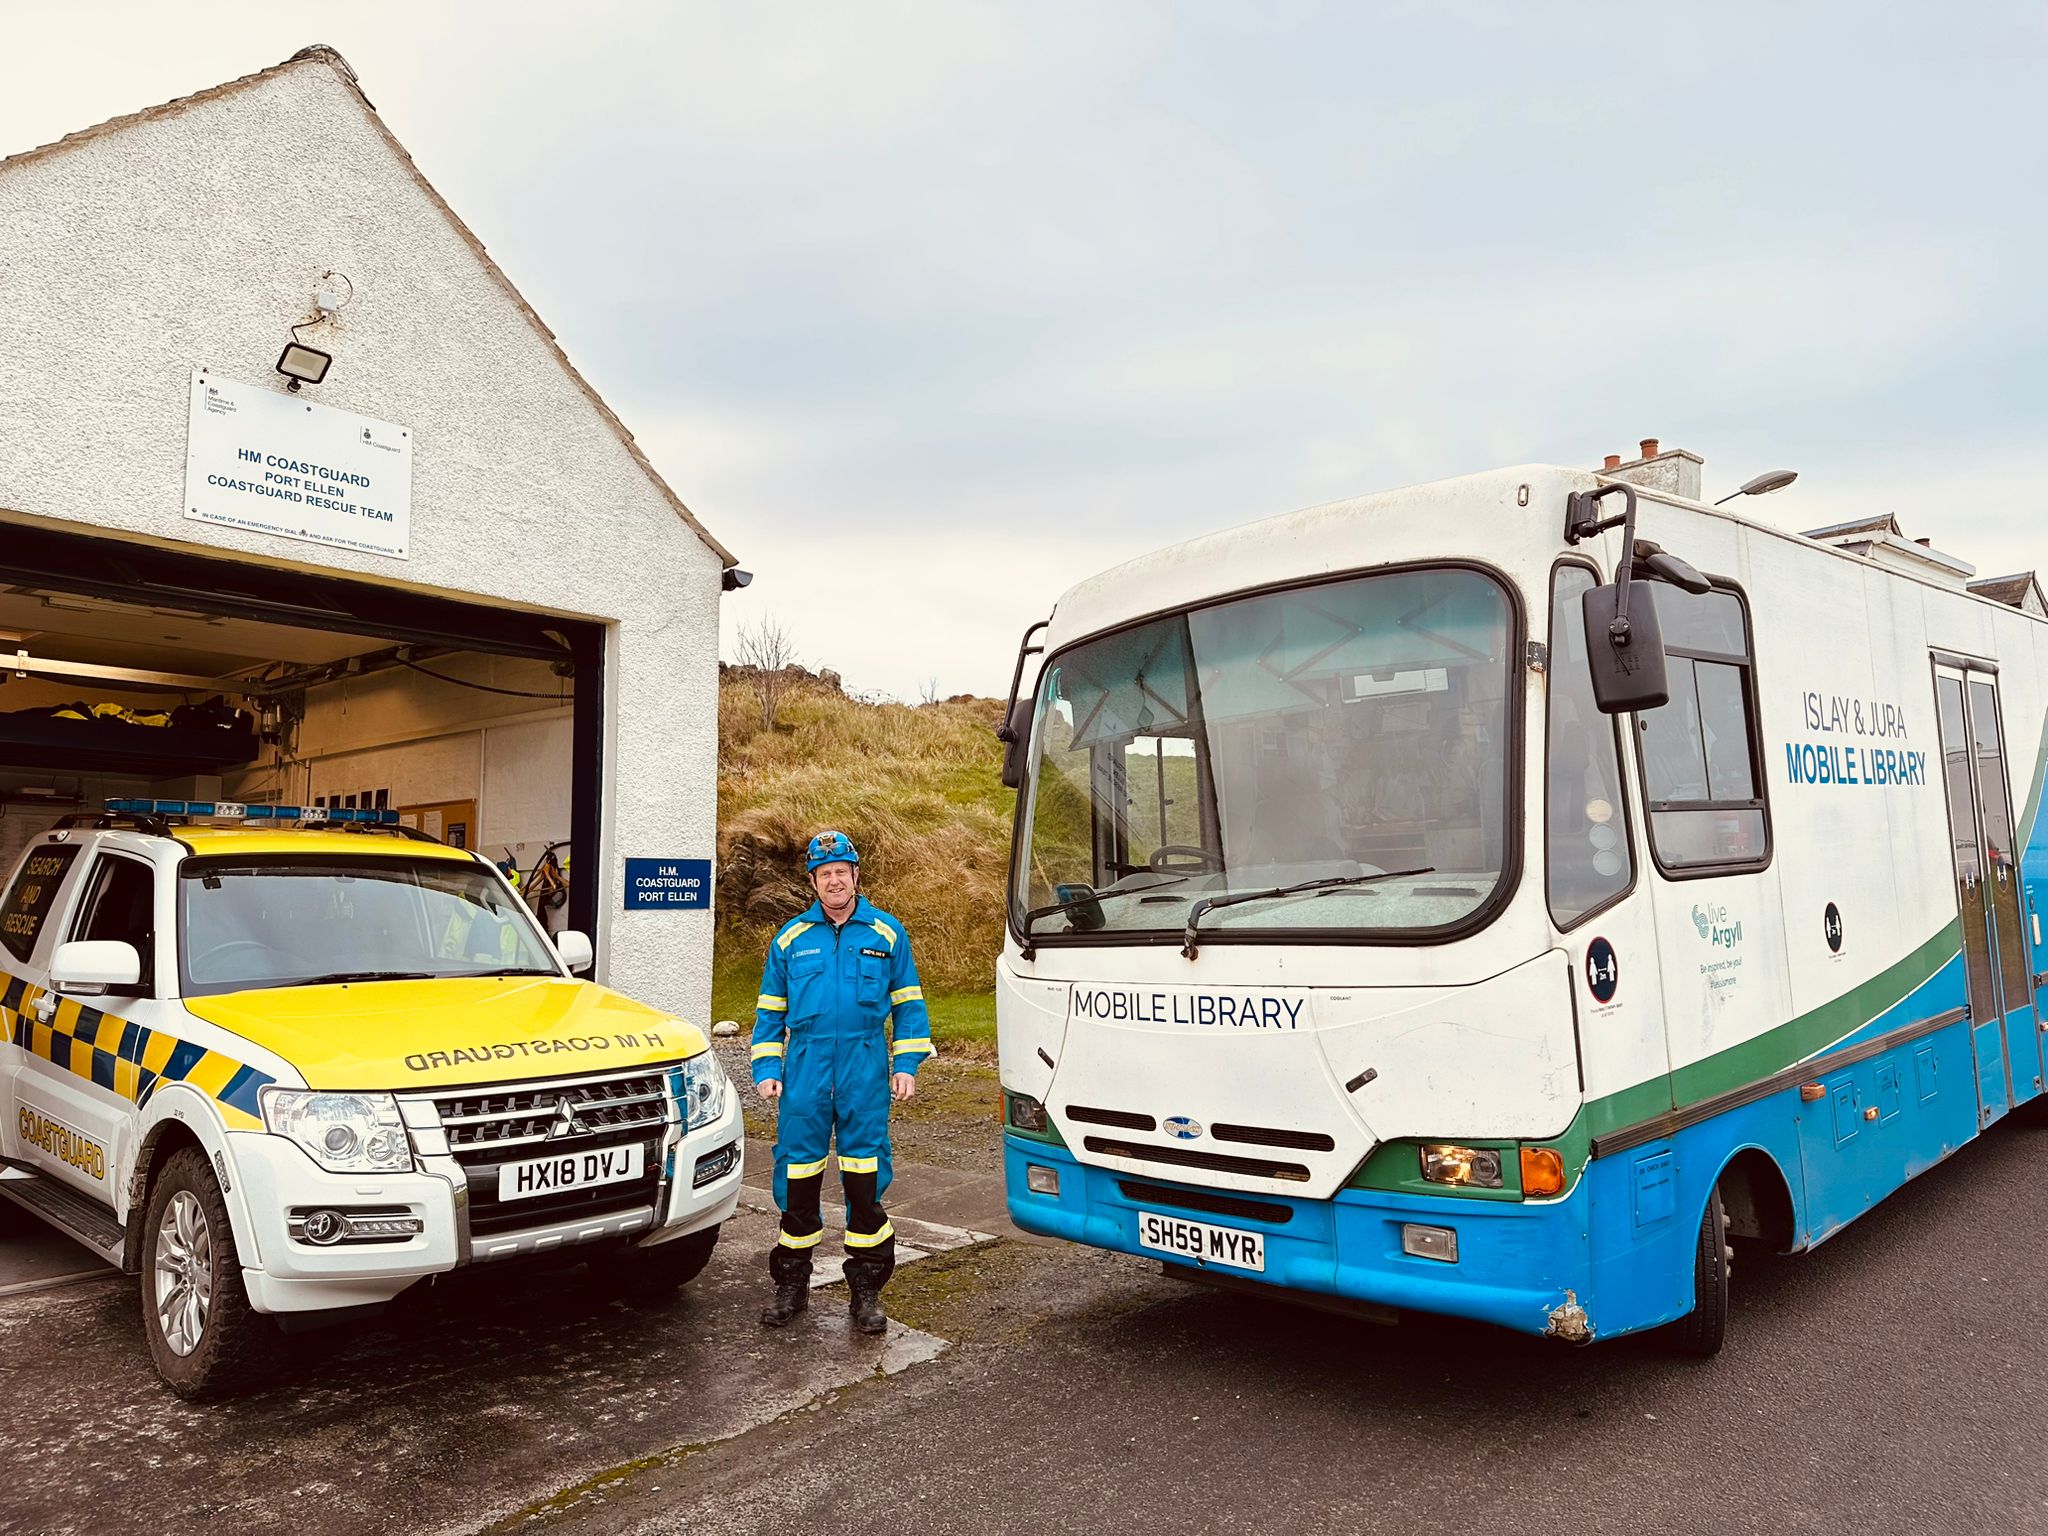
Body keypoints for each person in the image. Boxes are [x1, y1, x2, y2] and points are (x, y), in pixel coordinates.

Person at [750, 830, 933, 1334]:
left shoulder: (887, 934)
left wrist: (906, 1064)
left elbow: (909, 1007)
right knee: (798, 1177)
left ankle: (867, 1289)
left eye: (842, 872)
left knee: (865, 1176)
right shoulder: (790, 939)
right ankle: (792, 1283)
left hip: (864, 1065)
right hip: (805, 1069)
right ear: (813, 882)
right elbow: (769, 1013)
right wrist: (767, 1069)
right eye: (824, 874)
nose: (834, 880)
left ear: (855, 877)